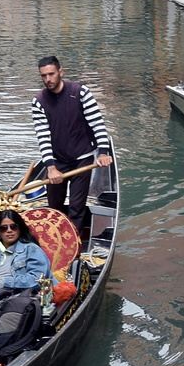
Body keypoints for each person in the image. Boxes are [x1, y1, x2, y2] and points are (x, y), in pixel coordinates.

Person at [31, 56, 113, 238]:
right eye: (43, 76)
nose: (48, 80)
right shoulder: (39, 101)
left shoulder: (80, 92)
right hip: (58, 160)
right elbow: (43, 136)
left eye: (51, 74)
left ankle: (72, 242)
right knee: (54, 206)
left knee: (77, 206)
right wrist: (50, 167)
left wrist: (103, 152)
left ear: (60, 72)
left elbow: (97, 124)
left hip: (82, 158)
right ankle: (55, 239)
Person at [0, 209, 51, 366]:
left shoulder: (31, 249)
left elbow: (37, 279)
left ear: (20, 228)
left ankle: (7, 358)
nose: (9, 231)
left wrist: (2, 282)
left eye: (14, 226)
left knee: (10, 312)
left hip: (22, 299)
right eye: (4, 228)